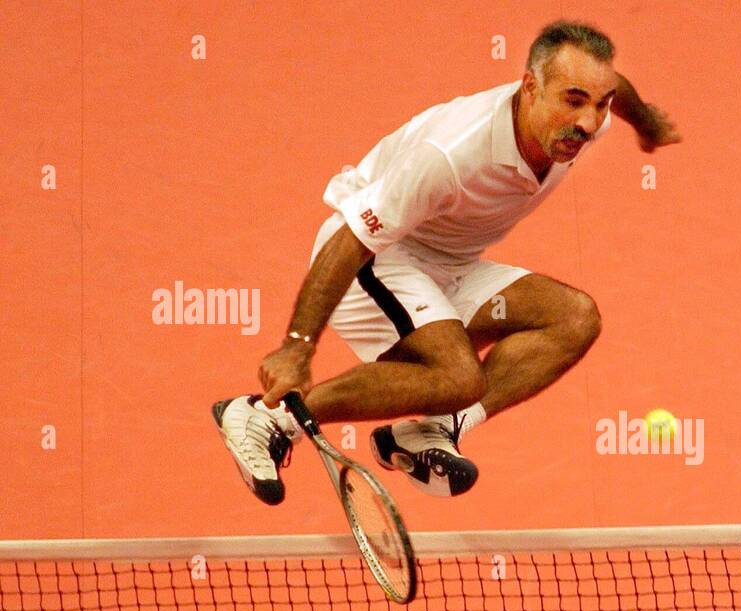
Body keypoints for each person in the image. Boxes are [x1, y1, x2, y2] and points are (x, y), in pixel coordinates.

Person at [213, 20, 681, 504]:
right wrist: (296, 347)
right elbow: (352, 239)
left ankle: (430, 429)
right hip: (374, 256)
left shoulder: (584, 116)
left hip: (448, 265)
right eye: (573, 99)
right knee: (458, 376)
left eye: (598, 105)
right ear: (530, 87)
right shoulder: (451, 155)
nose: (588, 121)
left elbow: (614, 87)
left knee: (573, 317)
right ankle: (265, 416)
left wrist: (645, 122)